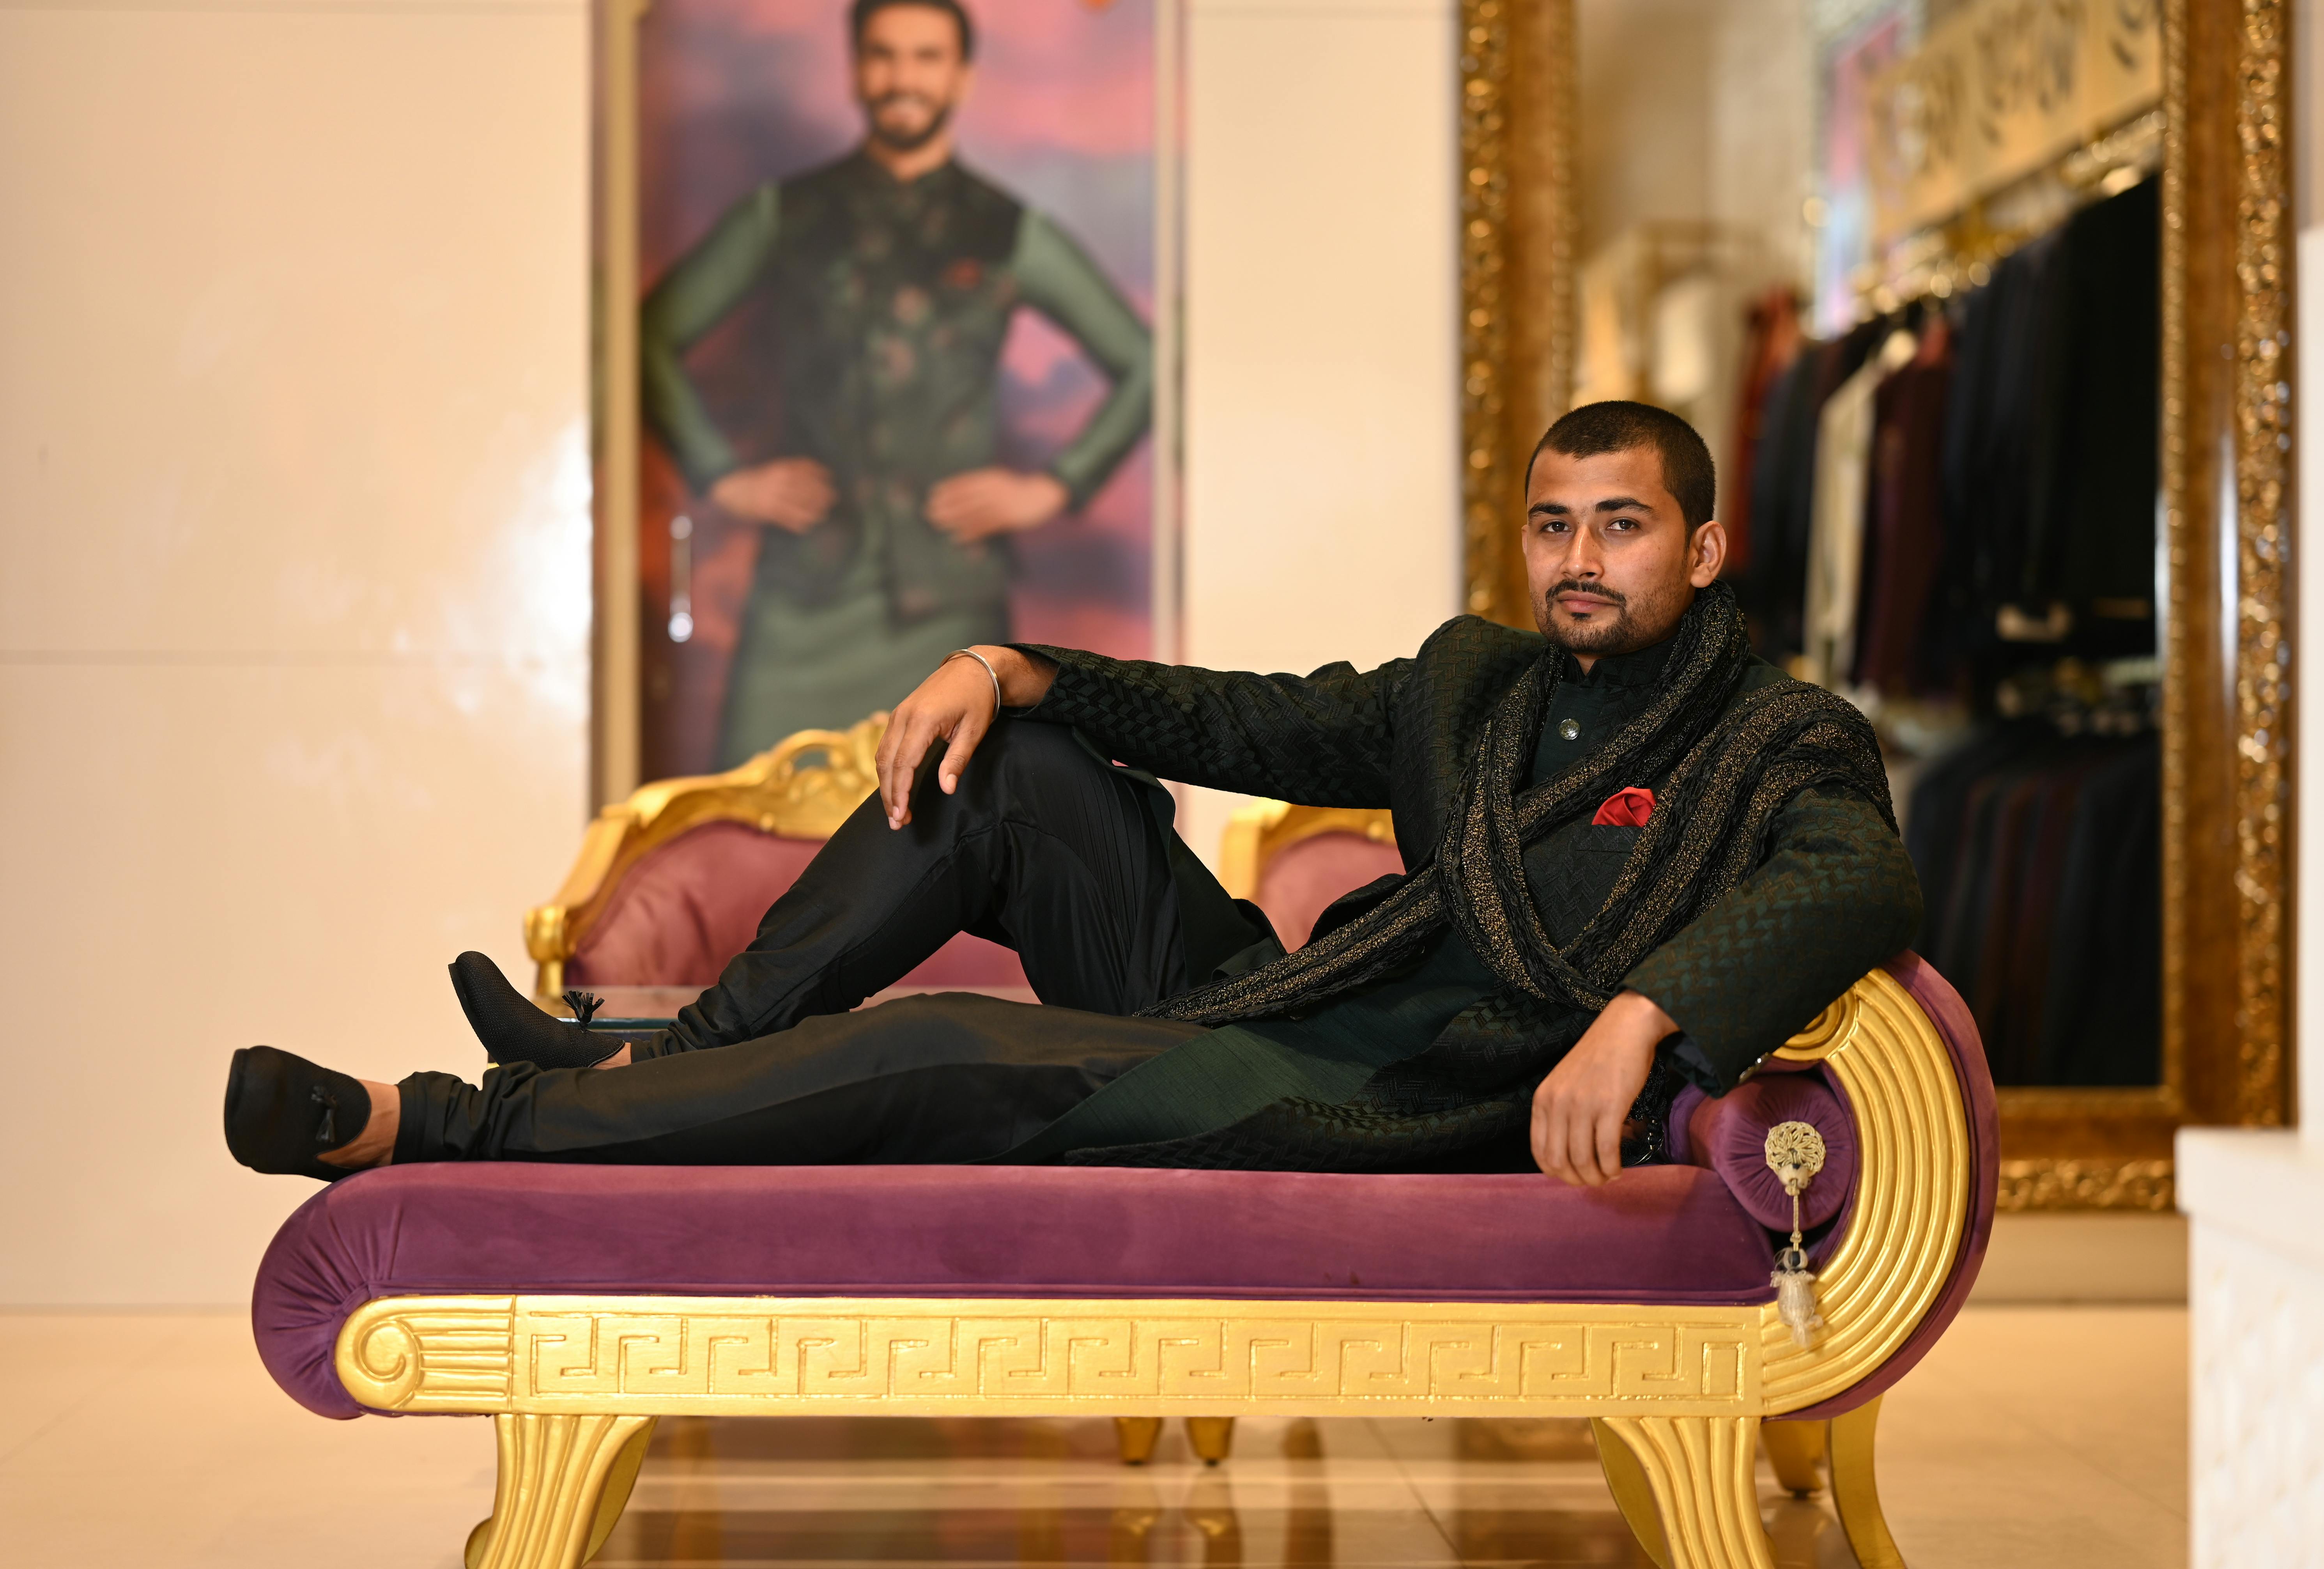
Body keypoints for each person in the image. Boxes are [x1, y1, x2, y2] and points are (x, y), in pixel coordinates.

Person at [223, 402, 1919, 1189]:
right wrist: (1014, 661)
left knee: (934, 1047)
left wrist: (1640, 1015)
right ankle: (666, 1051)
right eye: (1555, 523)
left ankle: (426, 1121)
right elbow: (1246, 720)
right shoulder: (1473, 686)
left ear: (1701, 546)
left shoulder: (1783, 739)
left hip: (1394, 1099)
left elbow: (1854, 883)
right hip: (1280, 996)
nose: (1578, 559)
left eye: (1620, 525)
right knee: (1013, 766)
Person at [643, 0, 1152, 766]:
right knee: (750, 829)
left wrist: (1053, 487)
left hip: (947, 605)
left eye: (925, 57)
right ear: (855, 68)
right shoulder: (788, 214)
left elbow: (1144, 362)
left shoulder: (1004, 228)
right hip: (803, 593)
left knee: (955, 842)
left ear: (961, 75)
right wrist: (723, 479)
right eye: (883, 55)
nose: (902, 76)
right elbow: (651, 336)